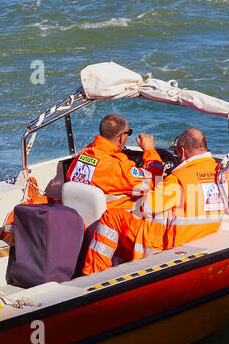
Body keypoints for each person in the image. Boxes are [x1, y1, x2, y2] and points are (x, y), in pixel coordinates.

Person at [70, 114, 164, 275]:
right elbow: (154, 180)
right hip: (113, 227)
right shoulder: (117, 167)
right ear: (121, 138)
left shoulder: (84, 155)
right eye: (128, 134)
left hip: (84, 225)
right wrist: (150, 151)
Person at [141, 128, 228, 249]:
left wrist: (157, 182)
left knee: (115, 216)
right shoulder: (223, 172)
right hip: (210, 241)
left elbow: (147, 208)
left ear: (181, 151)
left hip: (178, 248)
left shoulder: (177, 179)